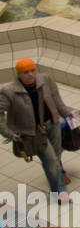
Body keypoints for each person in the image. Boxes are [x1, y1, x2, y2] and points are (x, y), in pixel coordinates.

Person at [0, 59, 74, 196]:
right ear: (19, 75)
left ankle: (59, 174)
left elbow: (56, 99)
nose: (30, 75)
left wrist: (67, 115)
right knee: (50, 159)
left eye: (32, 70)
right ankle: (59, 192)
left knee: (56, 155)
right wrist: (9, 133)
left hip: (52, 124)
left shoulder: (45, 79)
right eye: (25, 72)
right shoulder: (9, 91)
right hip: (33, 133)